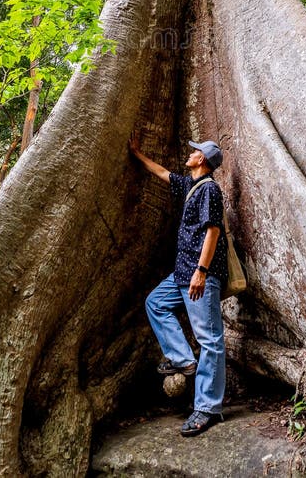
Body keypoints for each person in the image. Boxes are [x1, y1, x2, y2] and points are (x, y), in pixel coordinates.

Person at [128, 134, 228, 437]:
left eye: (196, 152)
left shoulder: (210, 189)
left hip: (200, 275)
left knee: (209, 339)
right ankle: (183, 360)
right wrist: (137, 153)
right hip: (181, 272)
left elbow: (213, 231)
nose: (191, 153)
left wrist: (201, 271)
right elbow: (162, 173)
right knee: (155, 303)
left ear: (203, 161)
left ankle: (207, 408)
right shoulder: (191, 185)